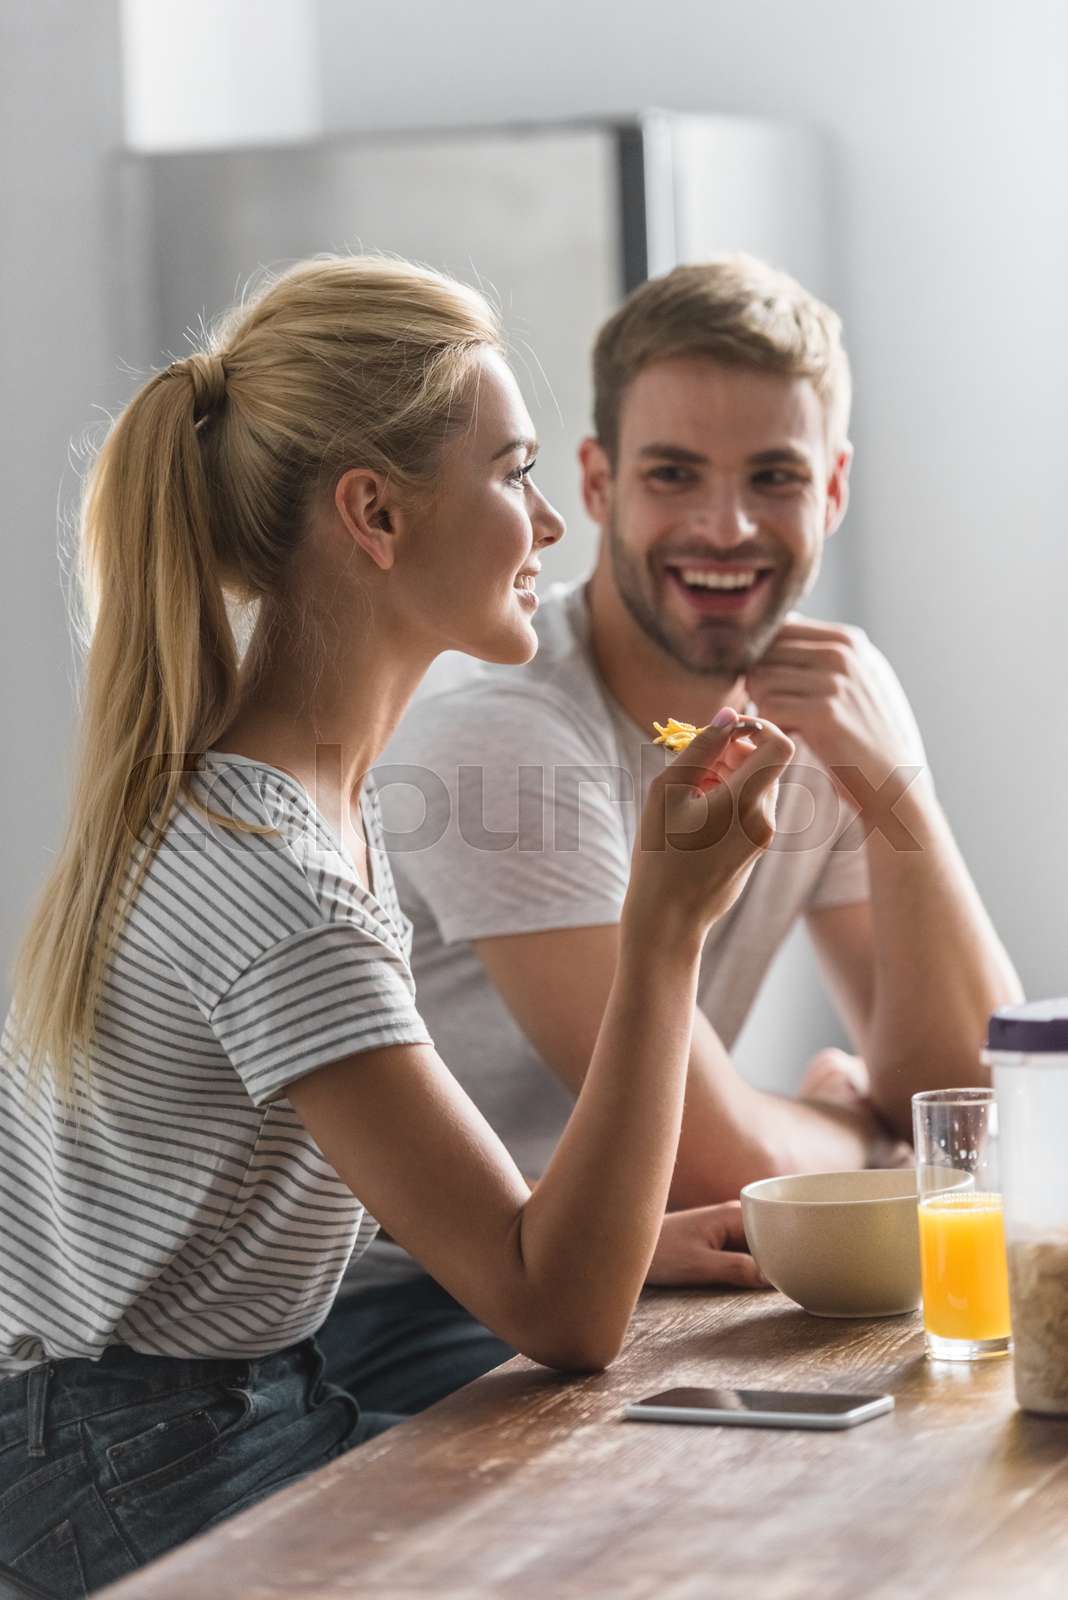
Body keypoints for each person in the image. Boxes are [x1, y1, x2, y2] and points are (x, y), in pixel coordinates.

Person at [0, 255, 795, 1597]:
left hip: (189, 1410)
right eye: (512, 471)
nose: (548, 527)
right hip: (124, 1453)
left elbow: (282, 1208)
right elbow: (563, 1312)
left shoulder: (293, 806)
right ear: (373, 513)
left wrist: (622, 1240)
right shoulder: (272, 870)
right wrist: (664, 936)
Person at [321, 254, 1021, 1416]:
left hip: (649, 1279)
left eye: (775, 476)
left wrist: (895, 781)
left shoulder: (816, 716)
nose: (726, 526)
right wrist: (862, 1136)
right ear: (596, 484)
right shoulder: (511, 733)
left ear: (834, 490)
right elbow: (725, 1164)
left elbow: (976, 1108)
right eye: (674, 473)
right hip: (422, 1316)